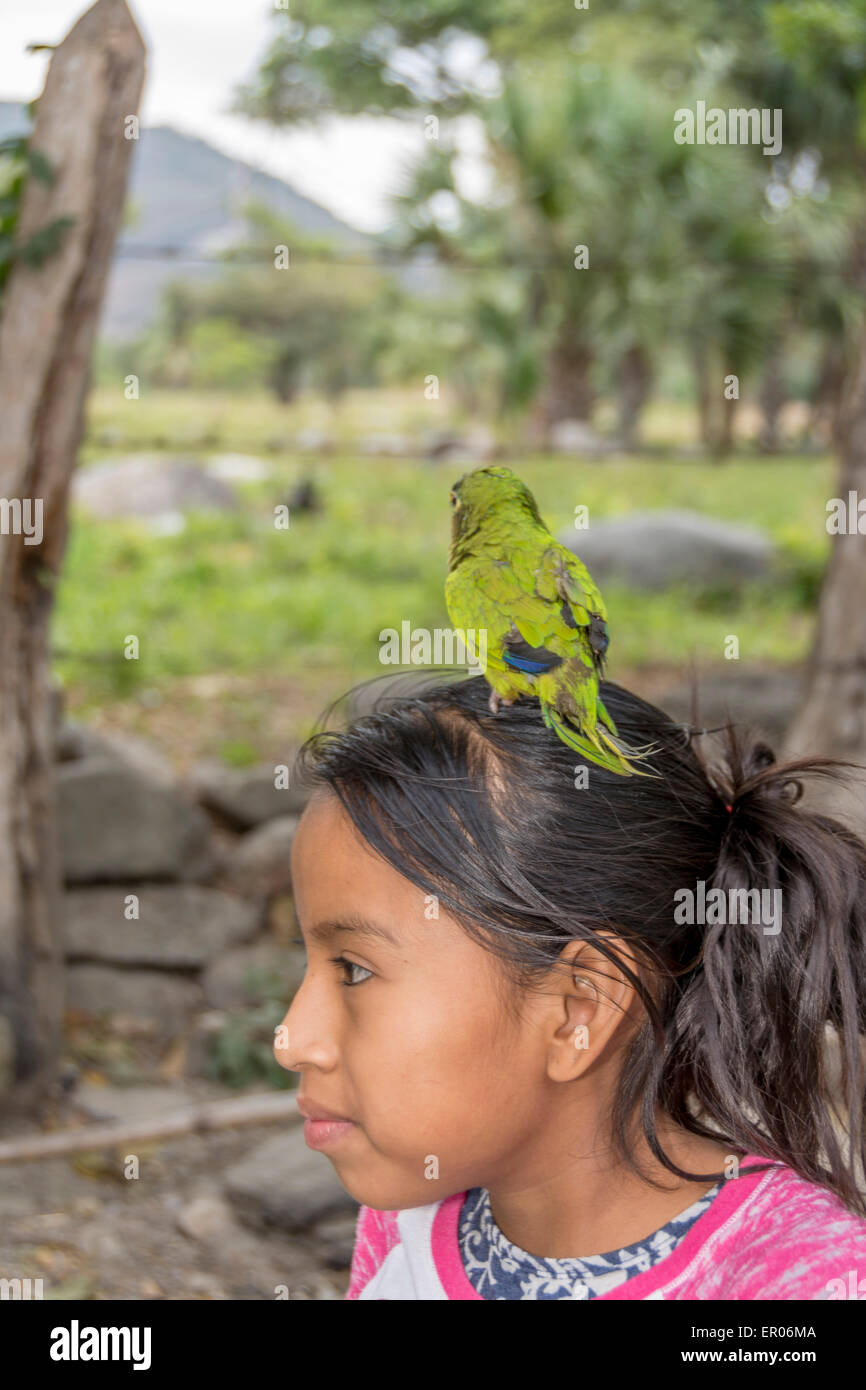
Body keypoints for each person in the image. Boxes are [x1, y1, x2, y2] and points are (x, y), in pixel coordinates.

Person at [274, 674, 866, 1300]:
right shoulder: (405, 1227)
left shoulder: (804, 1283)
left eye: (356, 969)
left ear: (579, 1008)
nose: (292, 1041)